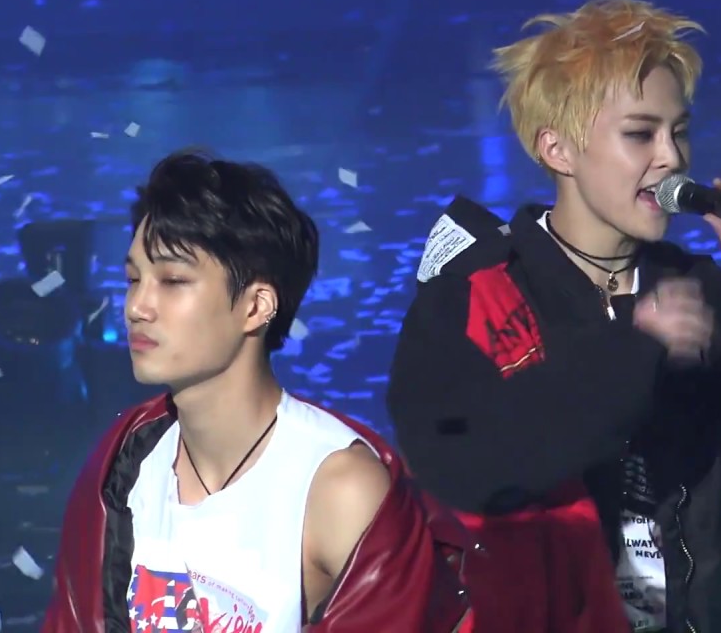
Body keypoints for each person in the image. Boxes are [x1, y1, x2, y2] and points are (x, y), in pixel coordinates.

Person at [386, 0, 721, 633]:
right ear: (558, 149)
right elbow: (476, 467)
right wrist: (632, 352)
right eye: (640, 134)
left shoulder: (688, 289)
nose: (671, 158)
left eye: (678, 131)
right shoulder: (477, 295)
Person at [43, 150, 473, 633]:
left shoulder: (337, 488)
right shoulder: (123, 462)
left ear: (256, 306)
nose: (137, 306)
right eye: (133, 279)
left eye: (173, 280)